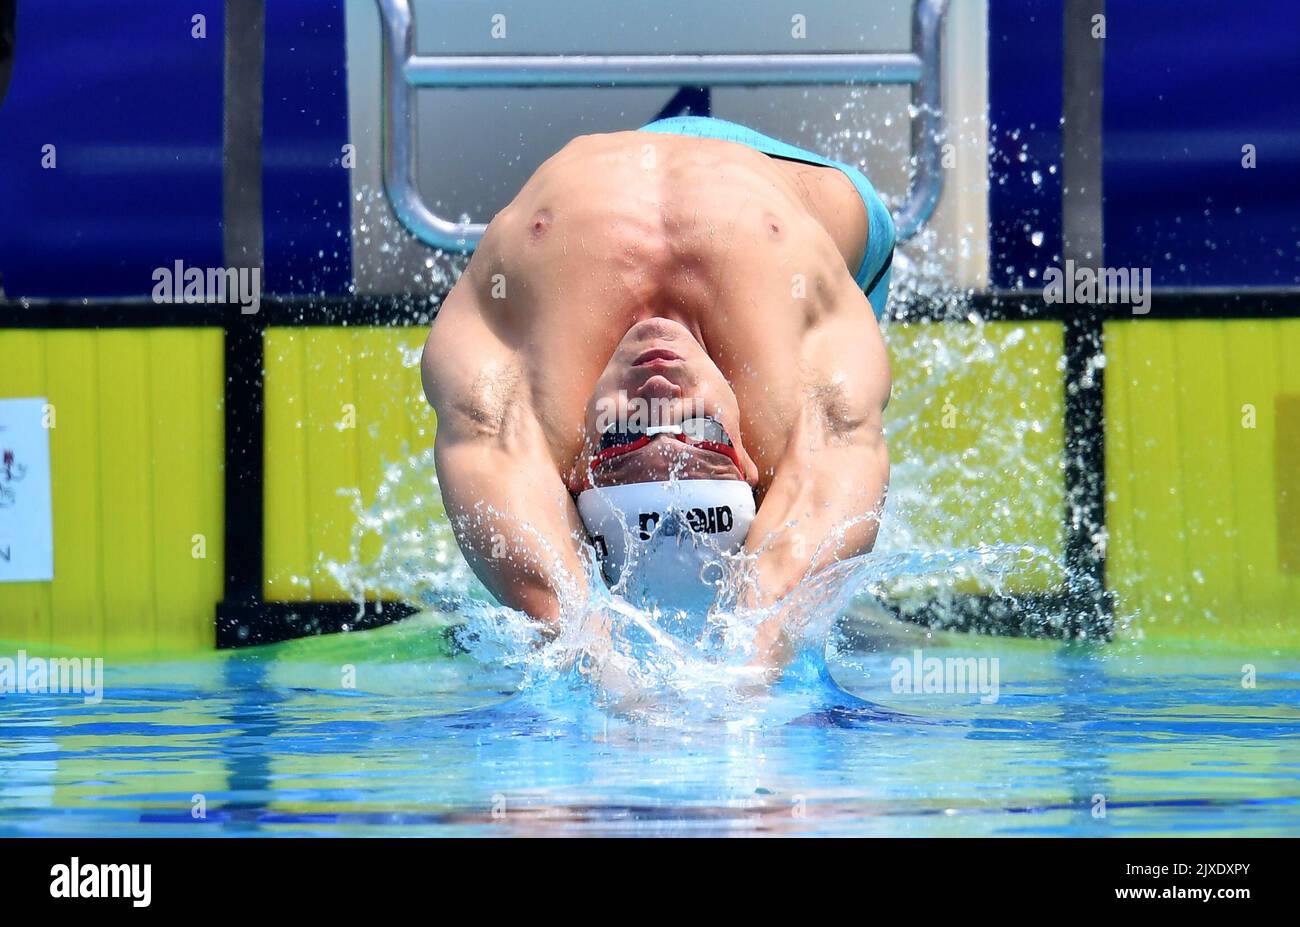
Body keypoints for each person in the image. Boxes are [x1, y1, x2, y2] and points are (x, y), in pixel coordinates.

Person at [421, 115, 894, 666]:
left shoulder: (528, 413)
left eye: (626, 434)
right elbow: (791, 566)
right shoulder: (790, 417)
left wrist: (603, 665)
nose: (661, 395)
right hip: (805, 190)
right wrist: (752, 666)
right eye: (698, 429)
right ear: (746, 461)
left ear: (575, 469)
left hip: (609, 172)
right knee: (823, 572)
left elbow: (560, 610)